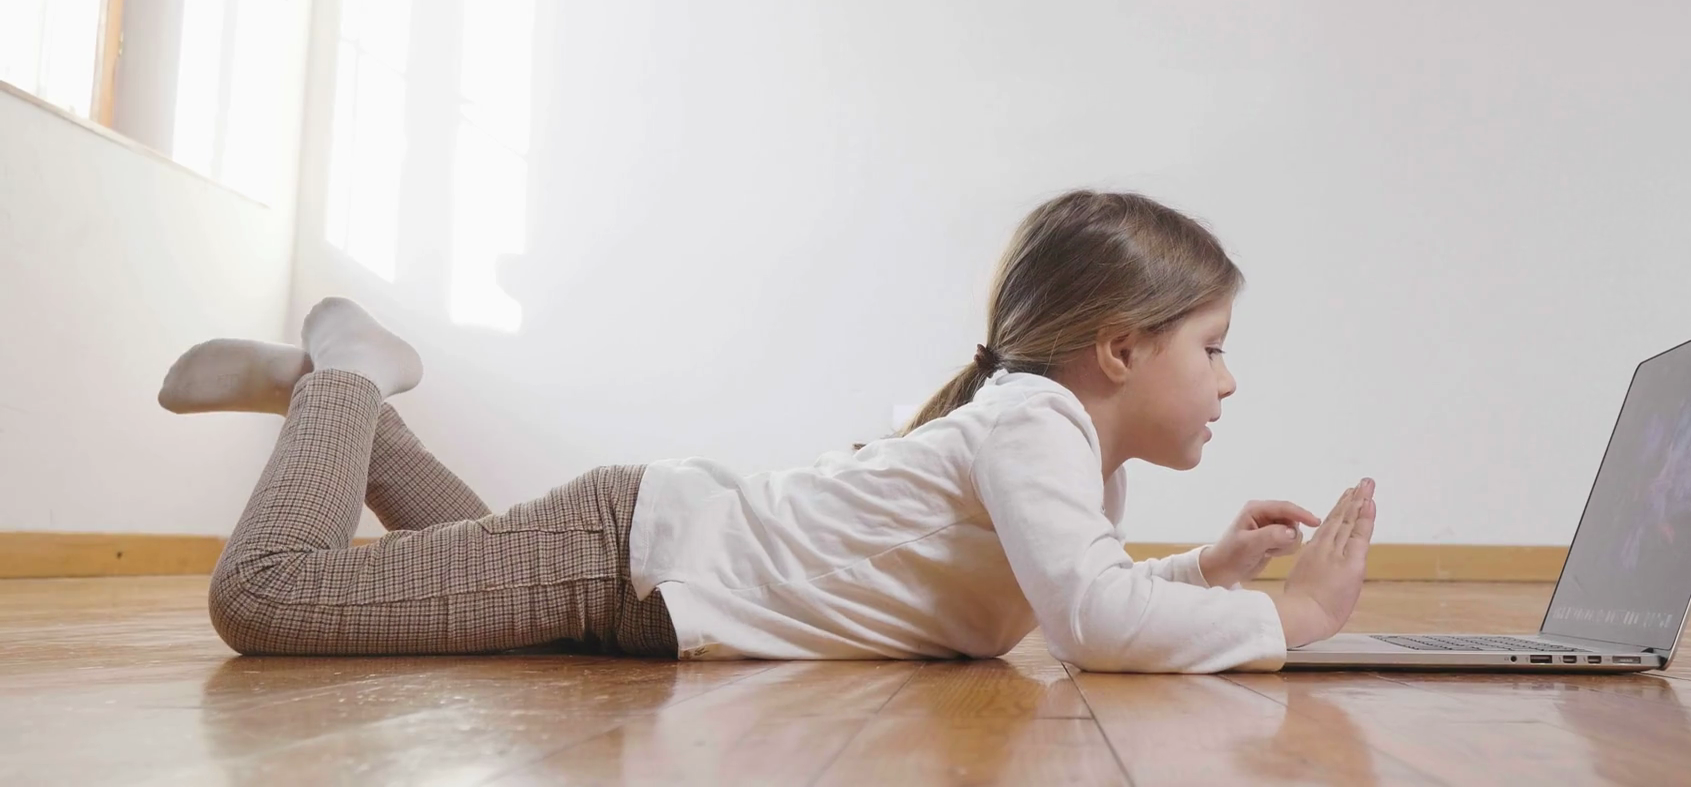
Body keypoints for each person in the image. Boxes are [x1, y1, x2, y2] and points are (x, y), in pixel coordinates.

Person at [159, 189, 1377, 671]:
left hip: (641, 574)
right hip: (631, 548)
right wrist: (1291, 613)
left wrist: (1205, 572)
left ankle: (357, 415)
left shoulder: (1060, 448)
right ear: (1117, 346)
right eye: (1210, 345)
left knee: (460, 567)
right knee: (268, 599)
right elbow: (1098, 627)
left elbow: (1081, 600)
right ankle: (344, 376)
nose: (1229, 380)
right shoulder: (1038, 423)